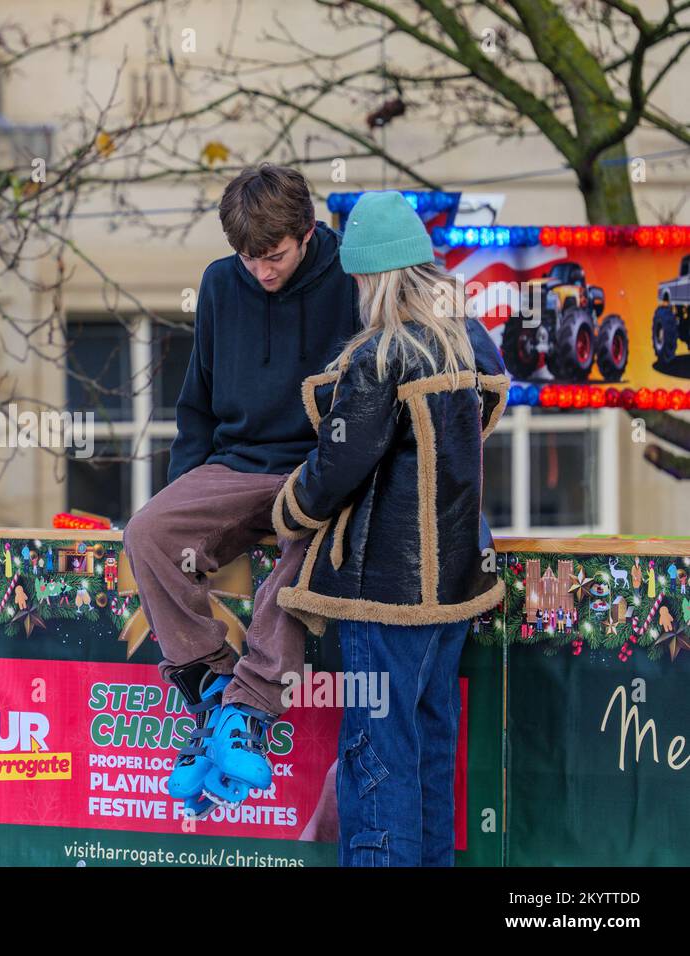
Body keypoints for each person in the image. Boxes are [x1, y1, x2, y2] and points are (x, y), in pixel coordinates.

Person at [272, 189, 510, 866]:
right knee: (431, 751)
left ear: (371, 277)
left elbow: (338, 464)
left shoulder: (383, 355)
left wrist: (286, 509)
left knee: (377, 761)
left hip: (386, 591)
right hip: (456, 587)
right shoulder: (468, 341)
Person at [122, 164, 361, 812]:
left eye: (274, 256)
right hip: (233, 467)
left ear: (307, 232)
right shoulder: (220, 285)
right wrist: (186, 499)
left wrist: (336, 474)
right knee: (147, 531)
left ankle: (248, 714)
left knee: (302, 552)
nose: (261, 270)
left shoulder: (351, 279)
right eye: (248, 258)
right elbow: (195, 404)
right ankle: (208, 692)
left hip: (315, 468)